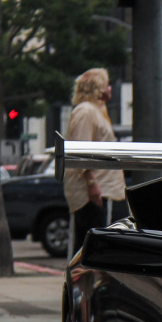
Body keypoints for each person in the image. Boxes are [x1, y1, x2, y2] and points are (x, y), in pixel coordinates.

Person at [63, 68, 127, 255]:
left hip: (104, 189)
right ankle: (81, 282)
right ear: (97, 88)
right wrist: (91, 183)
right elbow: (82, 150)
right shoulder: (86, 111)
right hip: (93, 191)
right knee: (89, 247)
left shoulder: (97, 110)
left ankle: (91, 282)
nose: (110, 89)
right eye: (106, 85)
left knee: (98, 246)